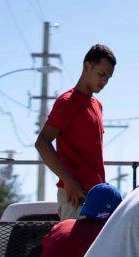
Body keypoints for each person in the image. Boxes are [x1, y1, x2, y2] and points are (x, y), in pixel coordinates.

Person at [35, 44, 116, 220]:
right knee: (75, 247)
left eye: (108, 78)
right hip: (75, 197)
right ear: (87, 66)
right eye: (101, 75)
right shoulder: (67, 102)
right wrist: (68, 181)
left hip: (97, 197)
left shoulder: (97, 105)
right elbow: (42, 143)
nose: (104, 81)